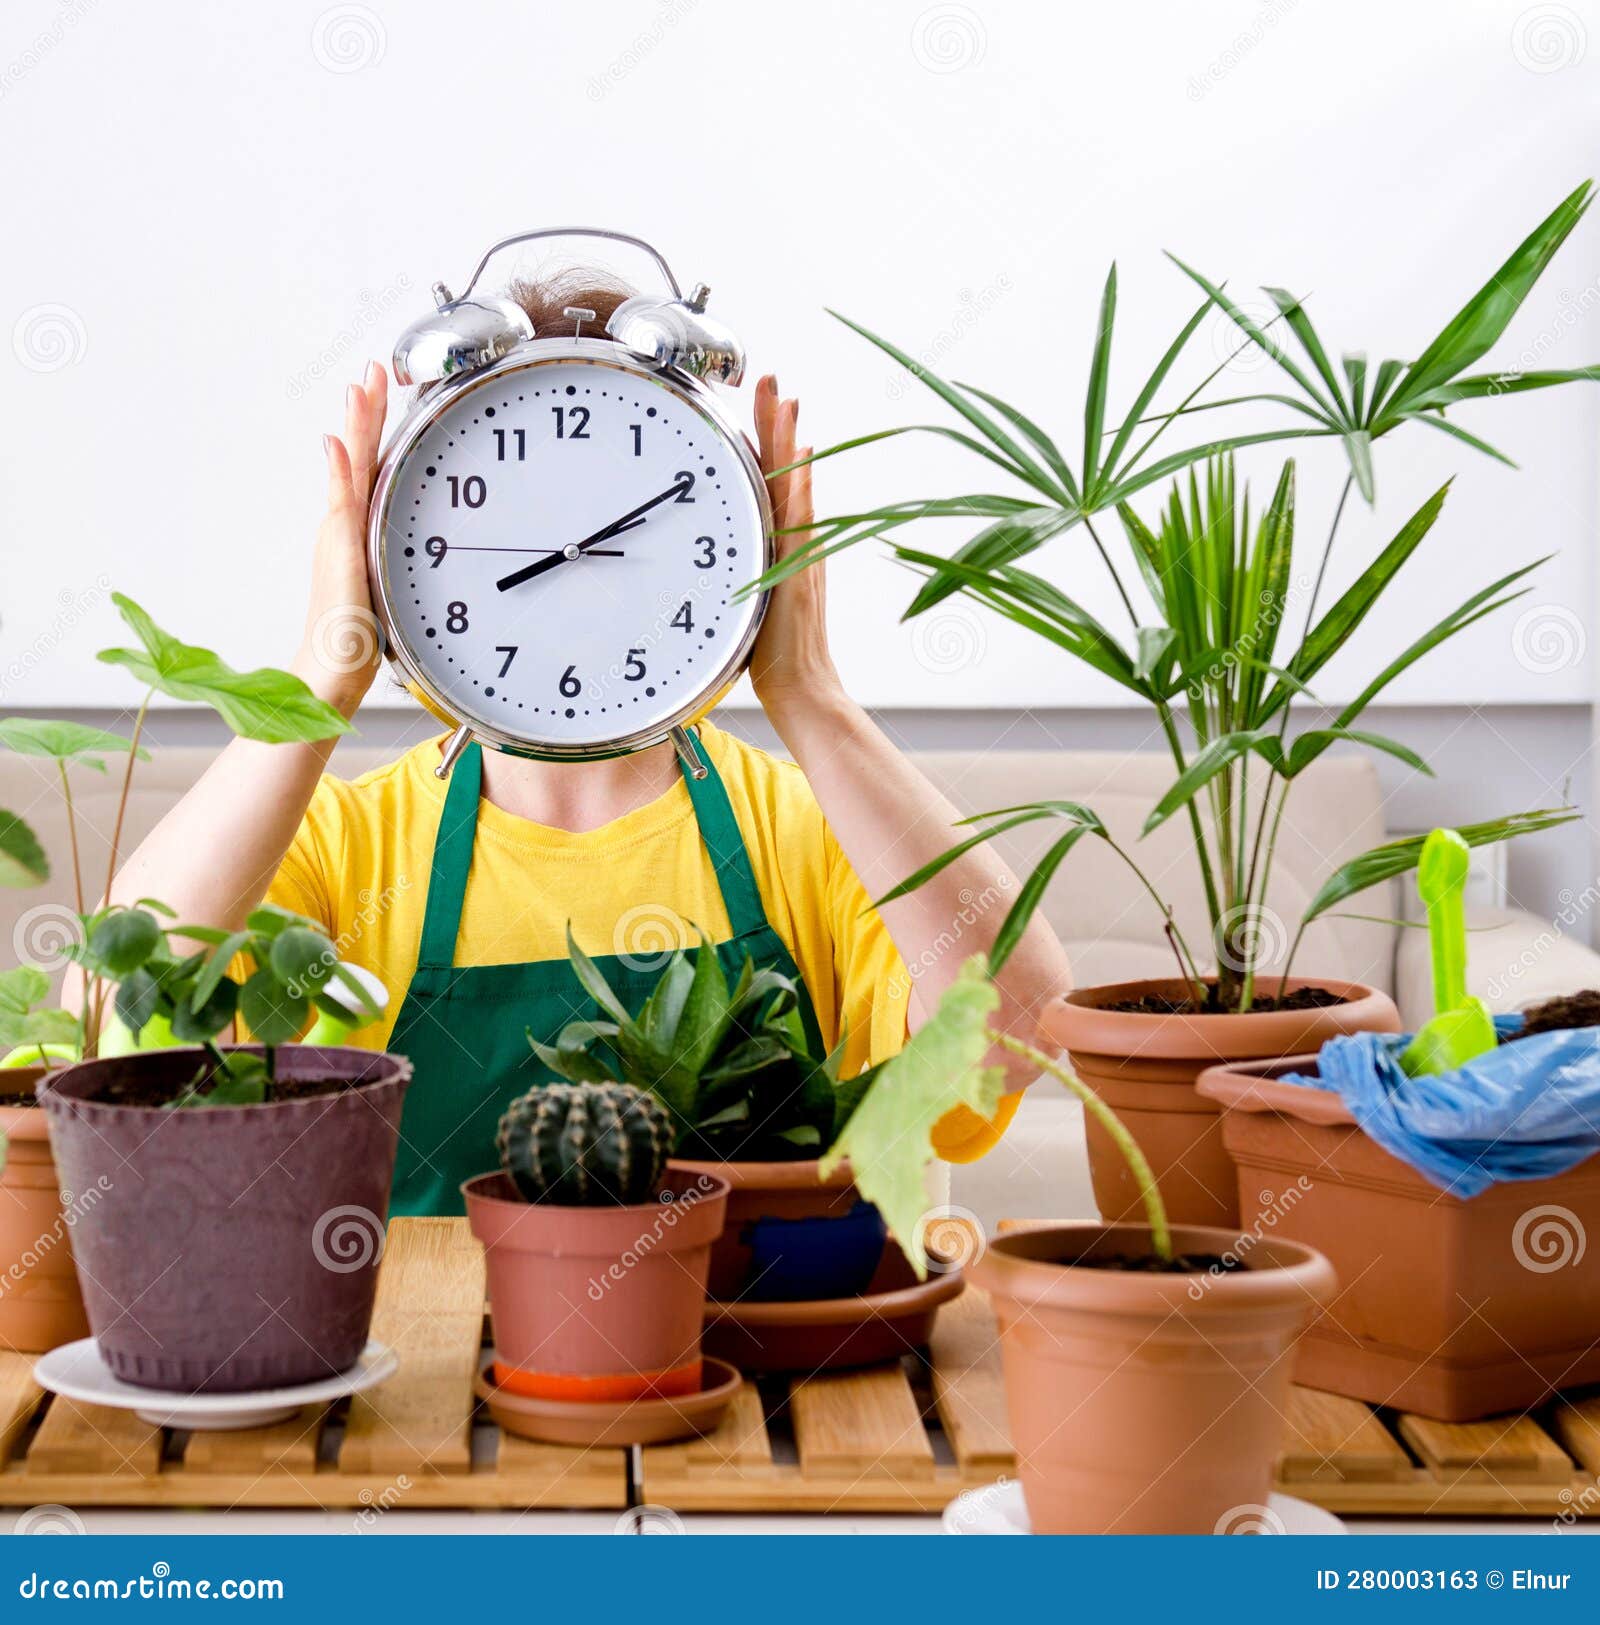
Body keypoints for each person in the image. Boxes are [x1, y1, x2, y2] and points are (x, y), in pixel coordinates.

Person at [108, 272, 1073, 1215]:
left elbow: (1019, 1024)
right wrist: (328, 668)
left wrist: (808, 691)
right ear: (393, 552)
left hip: (749, 1359)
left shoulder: (806, 827)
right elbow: (116, 1015)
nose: (572, 564)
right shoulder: (344, 844)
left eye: (640, 519)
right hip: (419, 1363)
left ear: (743, 551)